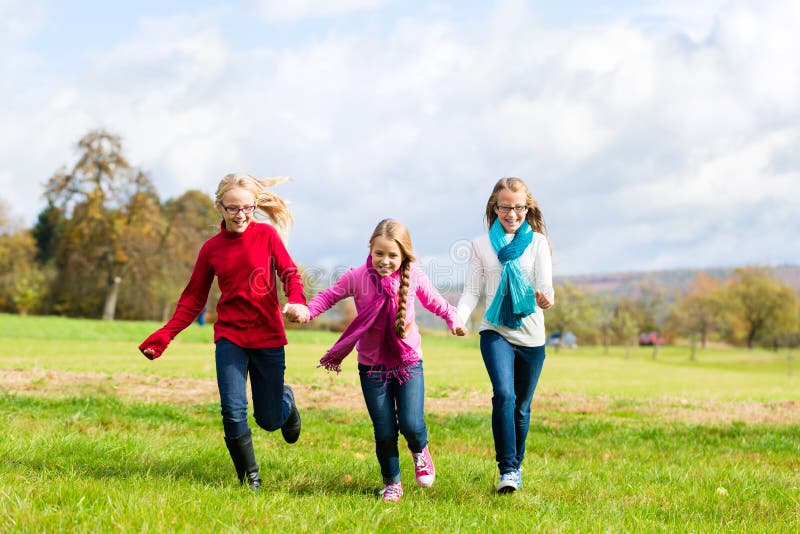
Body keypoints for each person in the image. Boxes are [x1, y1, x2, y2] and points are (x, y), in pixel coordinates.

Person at [138, 173, 309, 493]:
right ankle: (250, 479)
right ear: (219, 207)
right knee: (232, 410)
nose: (241, 214)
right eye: (233, 208)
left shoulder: (267, 236)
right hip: (230, 338)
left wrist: (297, 301)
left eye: (248, 207)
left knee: (269, 420)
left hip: (268, 337)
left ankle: (285, 402)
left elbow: (289, 273)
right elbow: (192, 299)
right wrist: (164, 336)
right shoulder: (211, 249)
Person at [286, 219, 467, 502]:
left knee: (410, 423)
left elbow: (438, 303)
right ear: (370, 249)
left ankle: (420, 450)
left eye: (392, 255)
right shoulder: (357, 277)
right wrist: (306, 312)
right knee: (384, 430)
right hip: (372, 367)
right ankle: (392, 482)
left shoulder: (414, 276)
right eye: (379, 253)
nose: (385, 261)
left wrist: (454, 320)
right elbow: (327, 297)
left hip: (408, 363)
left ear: (404, 255)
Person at [456, 177, 554, 494]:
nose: (512, 214)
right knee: (504, 395)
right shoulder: (481, 245)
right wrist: (458, 318)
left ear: (528, 207)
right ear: (494, 207)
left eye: (518, 207)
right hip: (494, 330)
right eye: (505, 207)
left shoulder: (538, 243)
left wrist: (547, 298)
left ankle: (517, 465)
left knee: (522, 407)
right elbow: (472, 290)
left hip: (531, 336)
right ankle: (508, 470)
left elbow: (546, 285)